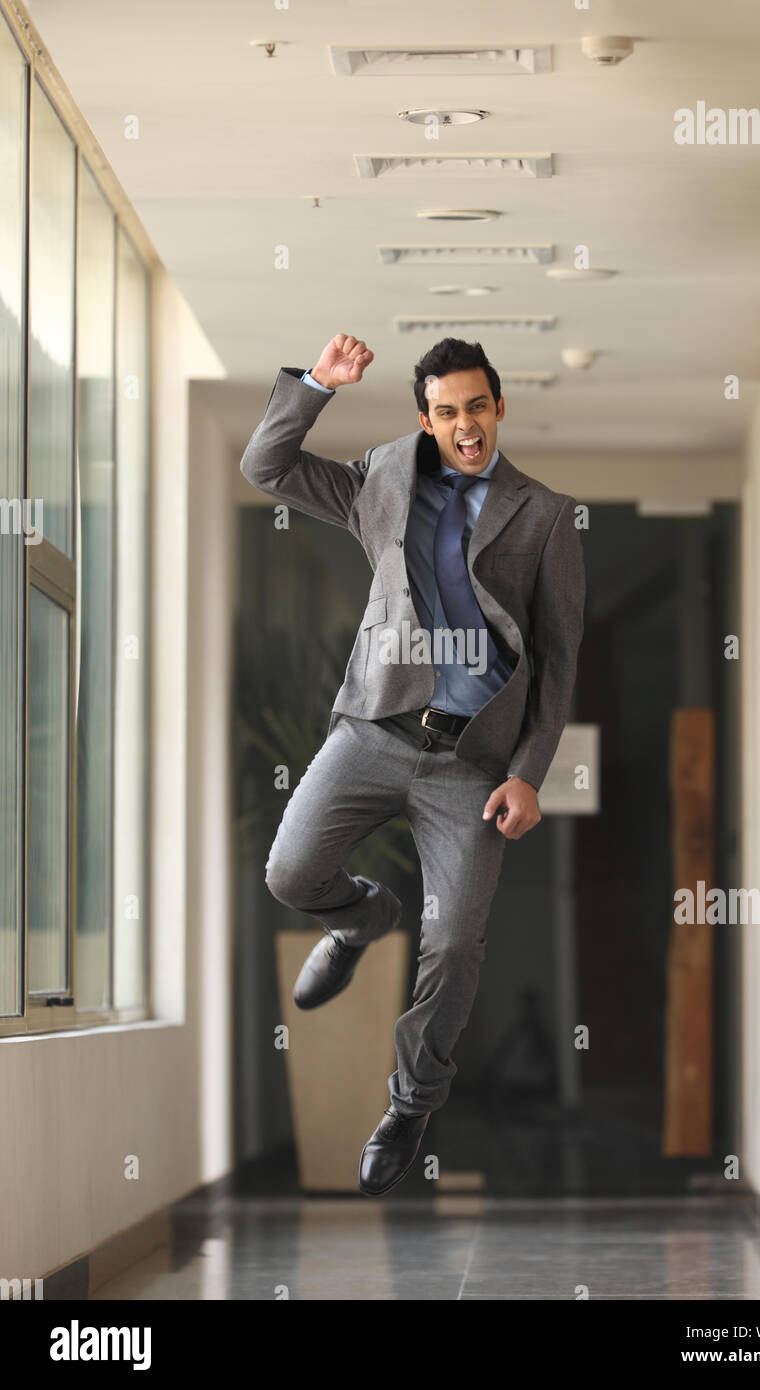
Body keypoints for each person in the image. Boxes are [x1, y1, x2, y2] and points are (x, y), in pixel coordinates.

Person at [239, 333, 586, 1195]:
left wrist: (527, 773)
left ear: (498, 406)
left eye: (476, 406)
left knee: (455, 942)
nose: (464, 425)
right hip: (373, 729)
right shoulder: (382, 482)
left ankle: (410, 1103)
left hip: (470, 762)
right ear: (423, 419)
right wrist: (318, 383)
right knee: (289, 874)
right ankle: (358, 919)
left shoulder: (544, 516)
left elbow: (557, 661)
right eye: (445, 411)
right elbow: (267, 467)